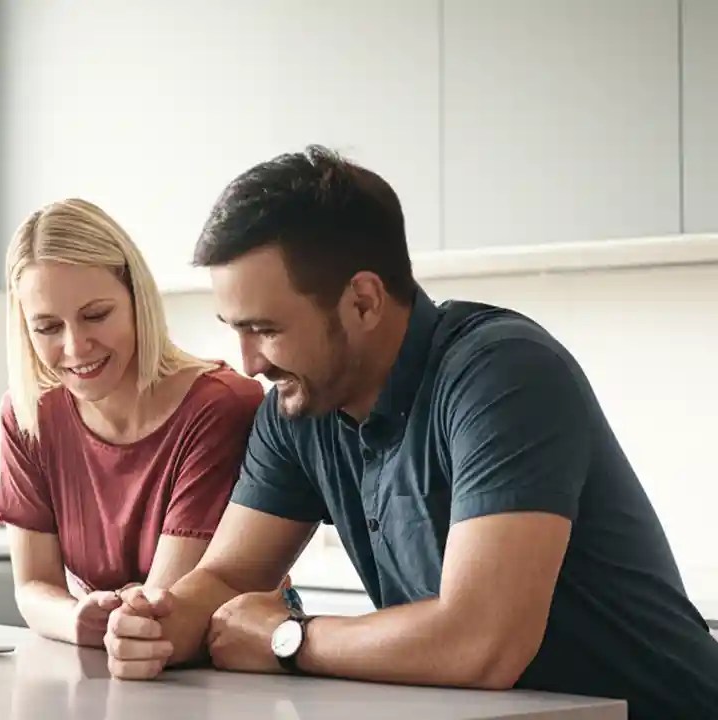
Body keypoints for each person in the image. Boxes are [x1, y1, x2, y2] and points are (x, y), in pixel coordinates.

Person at [102, 146, 718, 718]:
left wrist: (290, 637)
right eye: (234, 328)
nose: (248, 362)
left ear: (364, 302)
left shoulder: (504, 375)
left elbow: (482, 643)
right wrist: (155, 625)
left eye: (264, 328)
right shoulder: (300, 406)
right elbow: (230, 580)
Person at [0, 198, 266, 649]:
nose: (76, 347)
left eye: (96, 315)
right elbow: (34, 587)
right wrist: (77, 618)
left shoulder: (220, 406)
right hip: (117, 661)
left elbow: (164, 607)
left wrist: (106, 623)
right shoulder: (28, 416)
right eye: (47, 327)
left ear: (138, 300)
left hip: (226, 668)